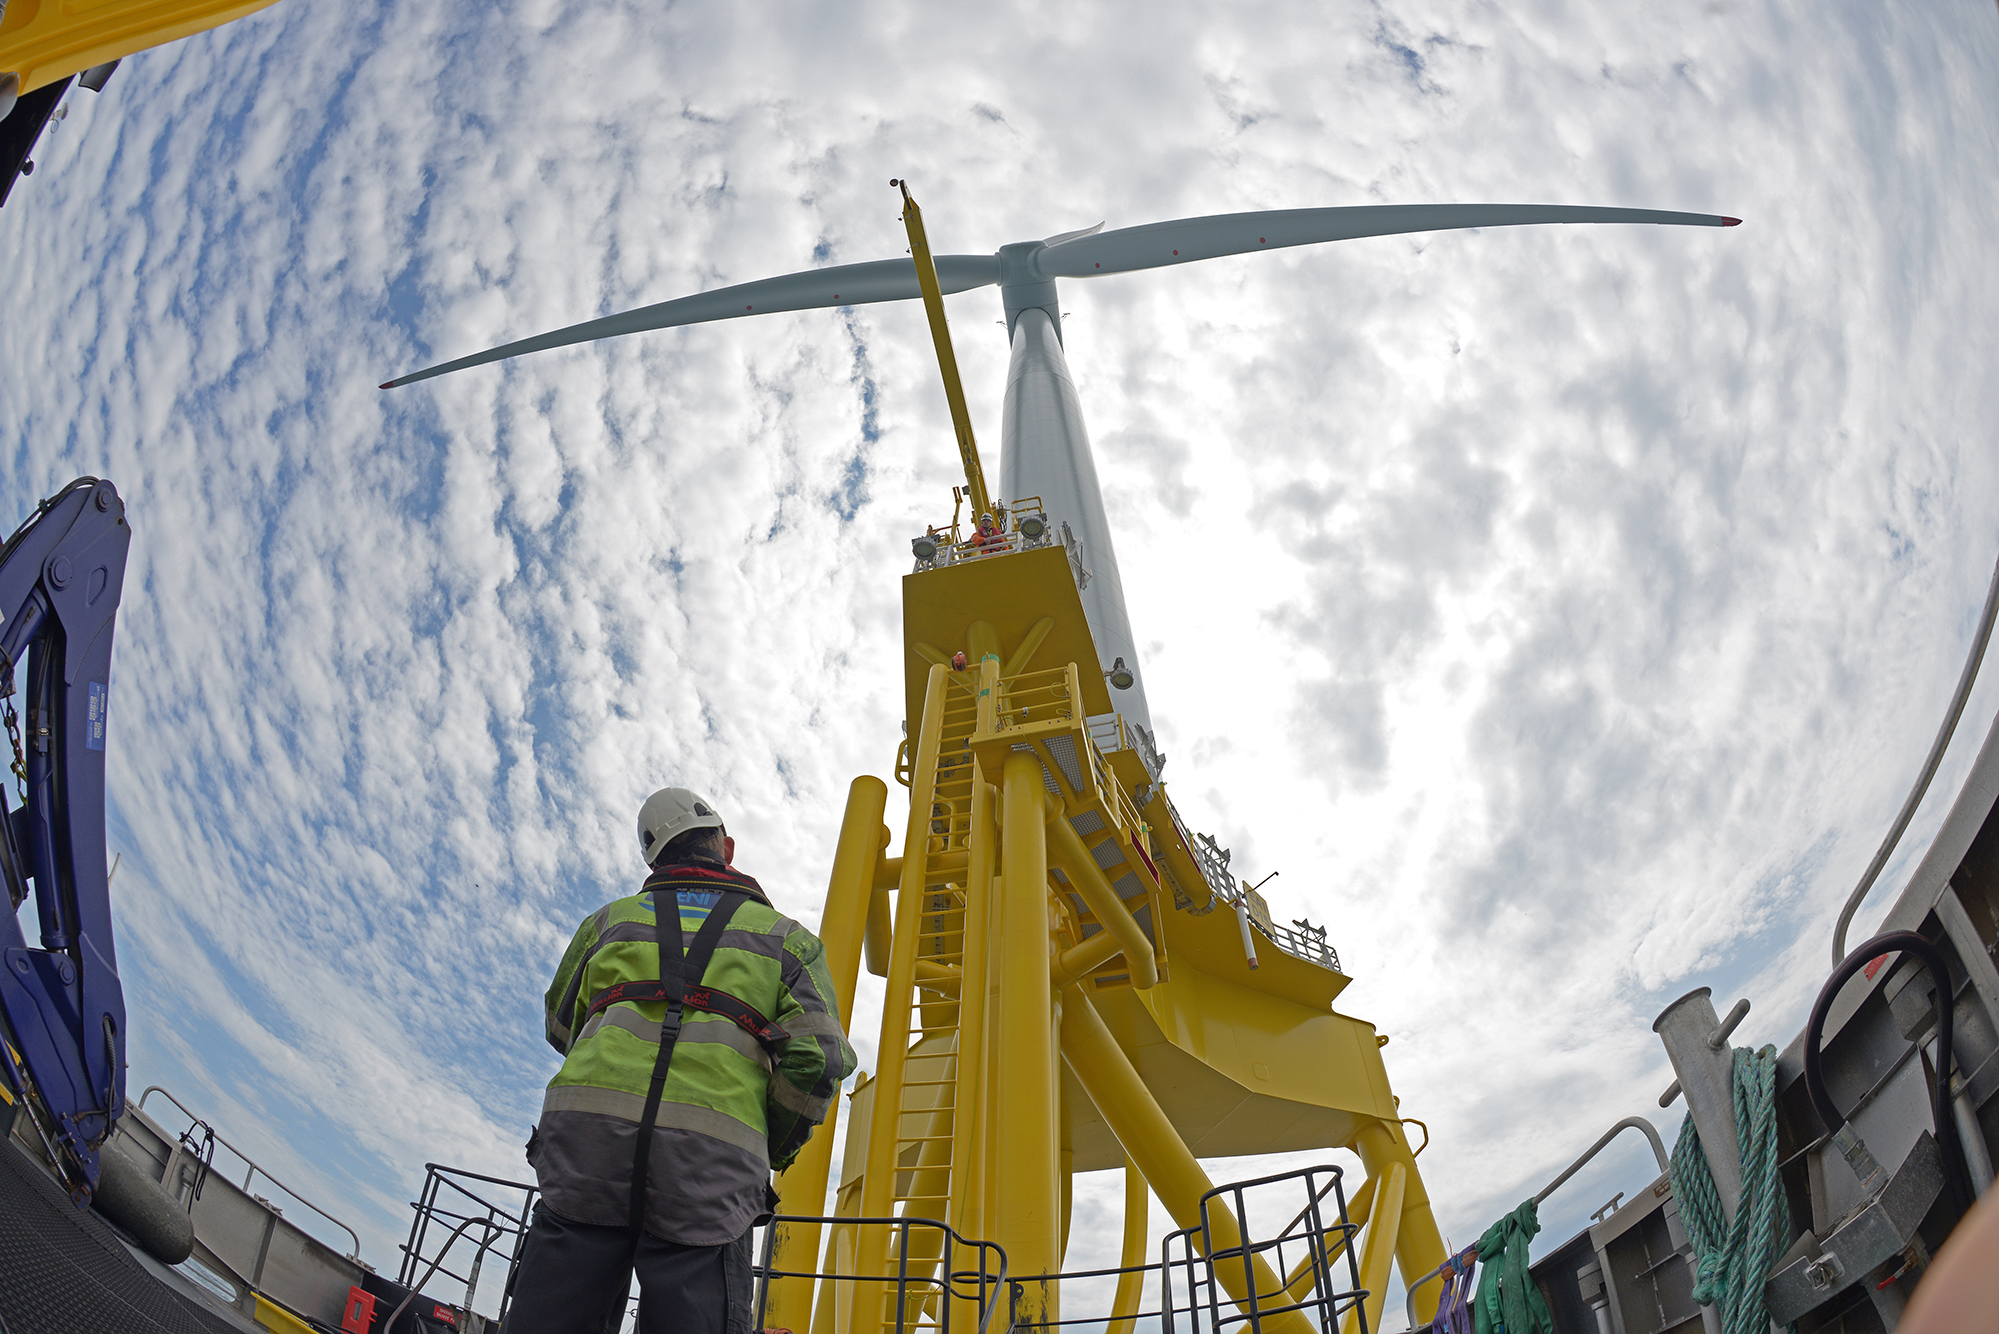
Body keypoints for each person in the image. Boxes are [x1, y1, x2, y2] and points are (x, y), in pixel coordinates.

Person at [502, 787, 857, 1334]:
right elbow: (820, 1059)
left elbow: (558, 1020)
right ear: (727, 848)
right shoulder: (787, 942)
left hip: (586, 1150)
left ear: (654, 860)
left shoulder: (608, 923)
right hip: (710, 1171)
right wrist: (772, 1143)